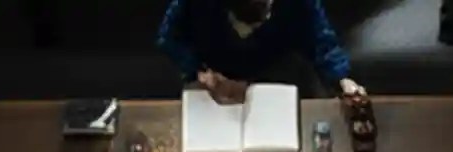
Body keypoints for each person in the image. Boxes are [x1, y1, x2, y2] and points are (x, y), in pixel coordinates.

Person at [156, 0, 367, 104]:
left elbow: (321, 39)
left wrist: (341, 79)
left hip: (274, 74)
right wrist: (197, 71)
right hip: (214, 78)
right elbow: (169, 37)